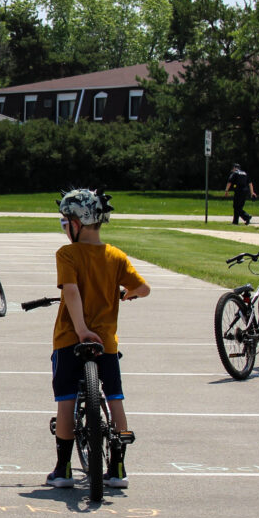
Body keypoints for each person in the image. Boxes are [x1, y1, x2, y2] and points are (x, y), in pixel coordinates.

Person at [46, 188, 150, 490]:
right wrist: (126, 293)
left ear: (78, 222)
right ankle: (118, 467)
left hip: (69, 338)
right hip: (106, 341)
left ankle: (63, 469)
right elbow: (143, 288)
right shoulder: (115, 256)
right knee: (115, 397)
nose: (65, 227)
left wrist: (80, 329)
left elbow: (72, 290)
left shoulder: (67, 254)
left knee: (65, 400)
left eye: (66, 221)